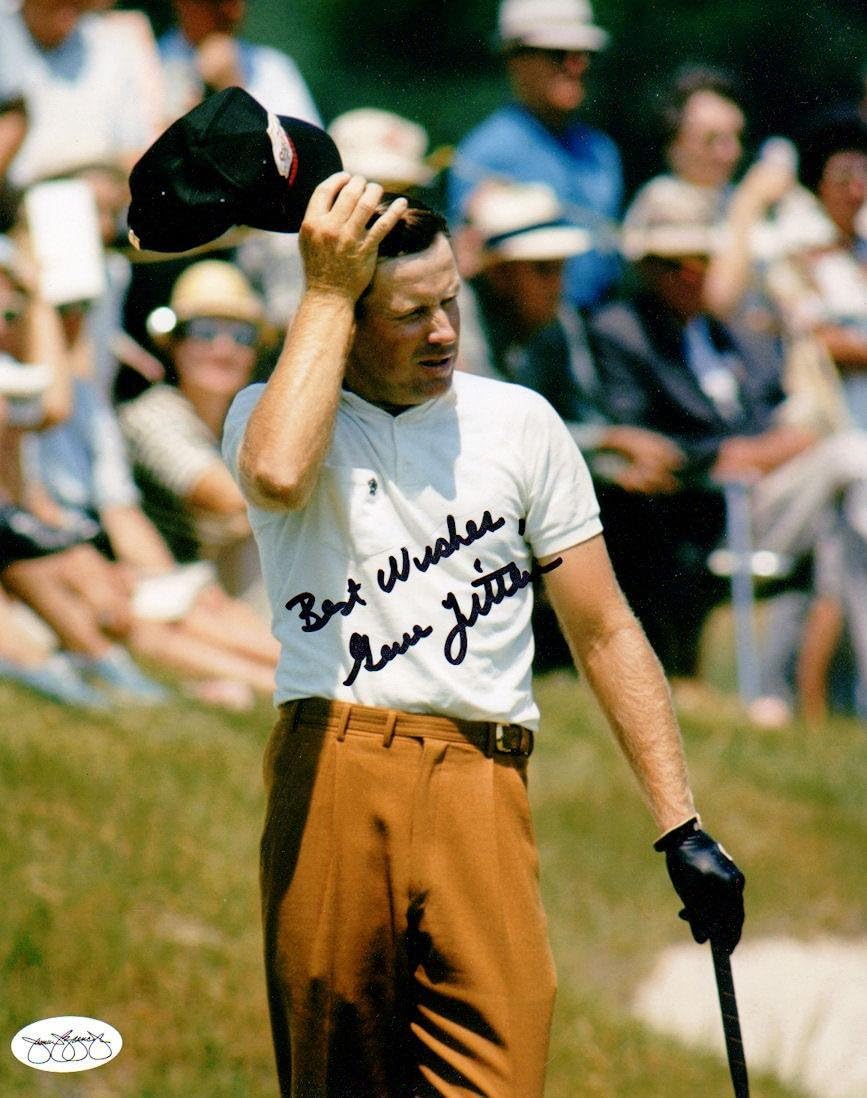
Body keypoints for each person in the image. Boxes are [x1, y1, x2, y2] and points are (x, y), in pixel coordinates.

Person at [222, 171, 745, 1097]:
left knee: (502, 1072)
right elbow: (273, 475)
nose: (443, 333)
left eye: (452, 302)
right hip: (335, 766)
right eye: (409, 313)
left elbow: (604, 629)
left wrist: (681, 823)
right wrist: (324, 290)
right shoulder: (279, 416)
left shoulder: (518, 423)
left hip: (484, 778)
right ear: (343, 317)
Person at [591, 193, 867, 715]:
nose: (691, 275)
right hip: (701, 508)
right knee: (855, 465)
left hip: (762, 493)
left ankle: (807, 698)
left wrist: (772, 446)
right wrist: (743, 451)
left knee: (845, 523)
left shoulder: (726, 331)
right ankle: (797, 695)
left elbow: (771, 414)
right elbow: (640, 434)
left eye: (702, 261)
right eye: (675, 264)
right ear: (647, 267)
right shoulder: (623, 331)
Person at [447, 0, 623, 309]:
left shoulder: (601, 151)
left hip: (598, 329)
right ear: (514, 59)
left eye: (584, 54)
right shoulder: (483, 155)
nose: (576, 65)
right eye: (559, 54)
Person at [120, 260, 271, 608]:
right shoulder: (150, 414)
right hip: (158, 590)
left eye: (241, 336)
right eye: (204, 331)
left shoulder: (245, 420)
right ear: (174, 343)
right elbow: (226, 496)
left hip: (210, 585)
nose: (223, 348)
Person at [158, 0, 321, 125]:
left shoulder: (272, 66)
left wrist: (232, 88)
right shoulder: (152, 63)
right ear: (181, 3)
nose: (232, 12)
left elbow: (309, 150)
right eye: (218, 2)